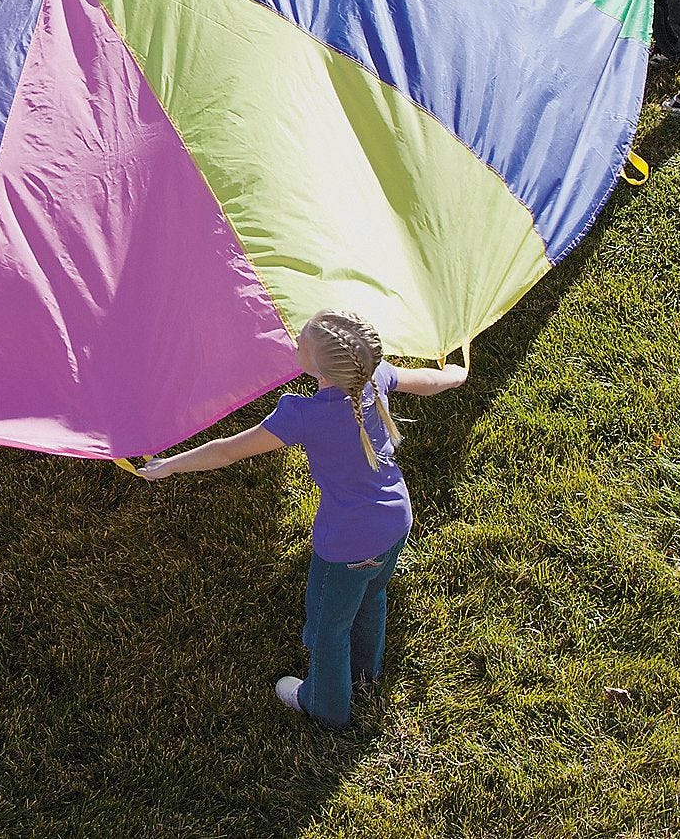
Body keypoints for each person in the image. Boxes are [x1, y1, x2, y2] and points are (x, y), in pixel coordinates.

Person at [138, 311, 466, 729]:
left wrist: (171, 466)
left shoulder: (301, 415)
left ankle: (326, 705)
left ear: (320, 368)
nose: (294, 345)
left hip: (346, 546)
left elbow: (227, 451)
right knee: (371, 599)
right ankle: (366, 674)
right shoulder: (374, 376)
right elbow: (429, 383)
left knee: (328, 627)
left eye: (300, 345)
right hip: (395, 523)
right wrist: (455, 374)